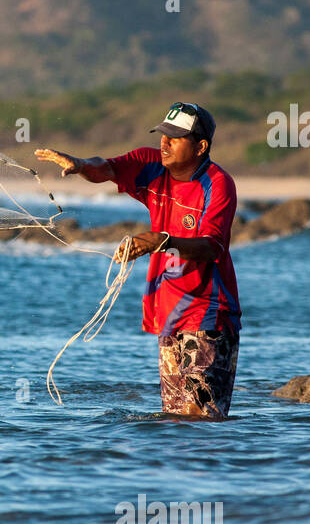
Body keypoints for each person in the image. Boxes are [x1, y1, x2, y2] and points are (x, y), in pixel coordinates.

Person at [35, 102, 242, 419]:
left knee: (201, 418)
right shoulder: (151, 165)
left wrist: (161, 241)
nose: (164, 143)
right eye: (163, 135)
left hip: (208, 314)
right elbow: (104, 168)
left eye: (175, 137)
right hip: (168, 312)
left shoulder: (217, 184)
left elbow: (213, 246)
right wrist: (79, 163)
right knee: (175, 418)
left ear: (200, 146)